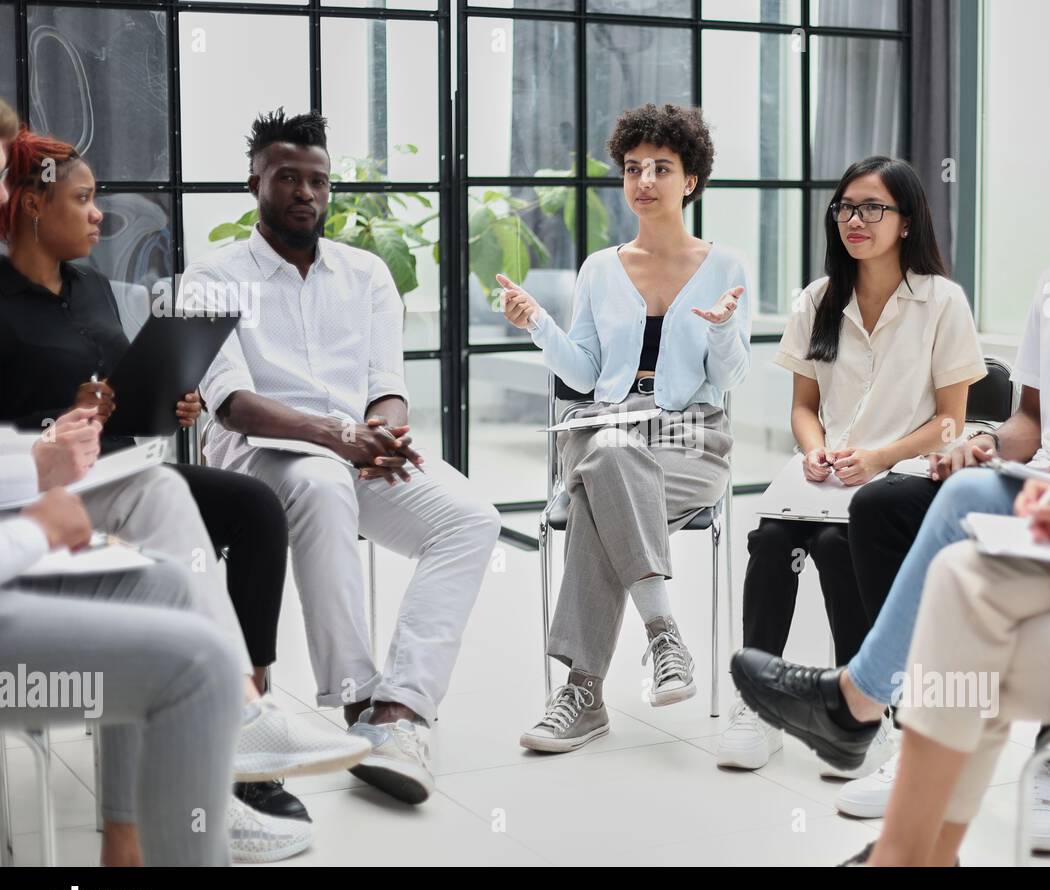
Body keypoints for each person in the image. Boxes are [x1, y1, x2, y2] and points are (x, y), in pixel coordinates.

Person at [731, 99, 1050, 852]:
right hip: (1040, 481)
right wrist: (977, 443)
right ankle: (900, 717)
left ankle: (971, 740)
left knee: (973, 521)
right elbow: (1029, 426)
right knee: (885, 506)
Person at [0, 127, 367, 833]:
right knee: (166, 505)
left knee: (256, 508)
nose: (99, 214)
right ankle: (233, 733)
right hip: (39, 497)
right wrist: (51, 436)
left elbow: (112, 393)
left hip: (116, 470)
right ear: (32, 208)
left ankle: (248, 717)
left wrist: (168, 398)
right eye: (82, 199)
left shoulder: (94, 289)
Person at [183, 108, 502, 805]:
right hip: (259, 460)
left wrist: (381, 436)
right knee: (325, 483)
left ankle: (401, 709)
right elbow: (232, 403)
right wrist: (339, 438)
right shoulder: (209, 277)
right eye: (287, 178)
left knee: (472, 518)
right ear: (254, 183)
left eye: (318, 181)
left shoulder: (365, 275)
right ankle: (358, 702)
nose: (304, 192)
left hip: (354, 453)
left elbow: (388, 389)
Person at [498, 103, 750, 753]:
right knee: (607, 452)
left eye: (661, 168)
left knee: (595, 497)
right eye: (633, 168)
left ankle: (582, 695)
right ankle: (664, 634)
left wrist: (722, 328)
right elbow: (583, 371)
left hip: (691, 438)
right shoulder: (598, 269)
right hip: (605, 428)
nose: (643, 181)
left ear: (691, 180)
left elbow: (728, 377)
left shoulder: (726, 267)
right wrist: (537, 326)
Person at [720, 156, 984, 772]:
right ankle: (759, 711)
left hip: (901, 474)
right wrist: (814, 449)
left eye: (873, 208)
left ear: (908, 221)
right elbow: (804, 407)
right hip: (825, 473)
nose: (855, 220)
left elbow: (952, 422)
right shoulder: (818, 299)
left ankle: (860, 709)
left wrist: (880, 457)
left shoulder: (942, 302)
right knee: (773, 541)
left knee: (841, 546)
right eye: (846, 207)